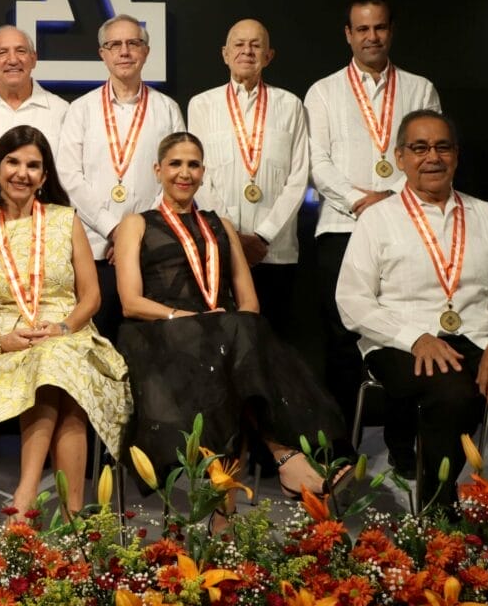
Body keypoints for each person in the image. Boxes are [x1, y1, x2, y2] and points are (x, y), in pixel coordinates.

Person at [337, 110, 488, 505]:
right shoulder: (377, 219)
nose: (433, 157)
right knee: (453, 394)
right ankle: (438, 506)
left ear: (456, 156)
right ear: (401, 157)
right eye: (420, 147)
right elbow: (352, 300)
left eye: (443, 147)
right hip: (400, 342)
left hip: (480, 334)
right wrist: (414, 338)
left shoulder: (485, 214)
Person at [114, 132, 352, 505]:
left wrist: (219, 329)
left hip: (223, 333)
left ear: (204, 172)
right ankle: (286, 458)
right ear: (158, 170)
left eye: (193, 164)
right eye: (175, 163)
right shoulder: (136, 223)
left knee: (240, 343)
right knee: (230, 347)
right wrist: (188, 318)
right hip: (159, 333)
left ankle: (245, 491)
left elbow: (249, 302)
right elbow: (130, 302)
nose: (184, 172)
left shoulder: (220, 225)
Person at [0, 126, 130, 516]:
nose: (21, 173)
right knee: (52, 368)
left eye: (33, 165)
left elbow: (91, 297)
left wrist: (62, 328)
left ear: (44, 178)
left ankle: (29, 497)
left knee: (58, 363)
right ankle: (70, 514)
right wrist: (1, 340)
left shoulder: (66, 220)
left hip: (69, 330)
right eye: (13, 162)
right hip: (1, 341)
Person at [304, 0, 441, 473]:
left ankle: (404, 443)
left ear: (391, 31)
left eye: (379, 28)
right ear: (347, 34)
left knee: (404, 332)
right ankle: (340, 446)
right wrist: (362, 200)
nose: (371, 37)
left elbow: (429, 157)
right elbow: (317, 162)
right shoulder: (322, 92)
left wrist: (394, 201)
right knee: (342, 340)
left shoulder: (420, 88)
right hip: (342, 226)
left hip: (407, 229)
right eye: (362, 29)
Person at [57, 14, 184, 345]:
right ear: (103, 53)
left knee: (148, 346)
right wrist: (115, 230)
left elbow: (175, 176)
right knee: (96, 343)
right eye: (115, 45)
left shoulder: (167, 109)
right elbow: (70, 177)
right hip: (96, 251)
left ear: (146, 51)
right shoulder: (81, 110)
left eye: (133, 43)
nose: (124, 51)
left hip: (151, 250)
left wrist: (138, 235)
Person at [187, 19, 307, 342]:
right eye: (239, 44)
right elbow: (199, 176)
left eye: (256, 45)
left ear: (269, 56)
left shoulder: (291, 105)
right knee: (223, 344)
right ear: (225, 54)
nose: (247, 51)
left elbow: (299, 178)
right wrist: (232, 237)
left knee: (274, 345)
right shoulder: (201, 105)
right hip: (221, 249)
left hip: (276, 251)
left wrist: (263, 237)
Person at [0, 26, 68, 226]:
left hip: (48, 235)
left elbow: (71, 179)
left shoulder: (61, 111)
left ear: (34, 59)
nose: (12, 60)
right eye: (2, 52)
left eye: (21, 51)